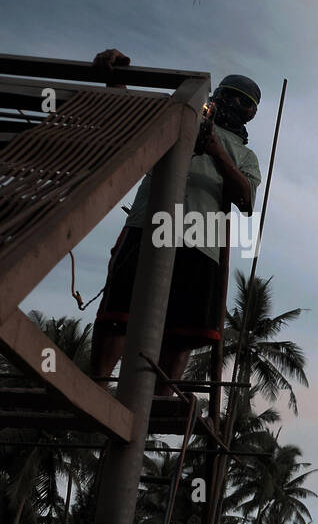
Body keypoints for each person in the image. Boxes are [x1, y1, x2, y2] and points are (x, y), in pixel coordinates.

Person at [88, 48, 262, 394]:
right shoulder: (180, 116)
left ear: (251, 114)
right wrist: (115, 76)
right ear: (217, 96)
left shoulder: (245, 154)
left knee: (184, 330)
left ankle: (161, 398)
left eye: (245, 104)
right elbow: (131, 117)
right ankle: (97, 385)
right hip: (150, 224)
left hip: (204, 238)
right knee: (118, 314)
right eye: (231, 98)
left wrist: (215, 150)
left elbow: (245, 199)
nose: (236, 106)